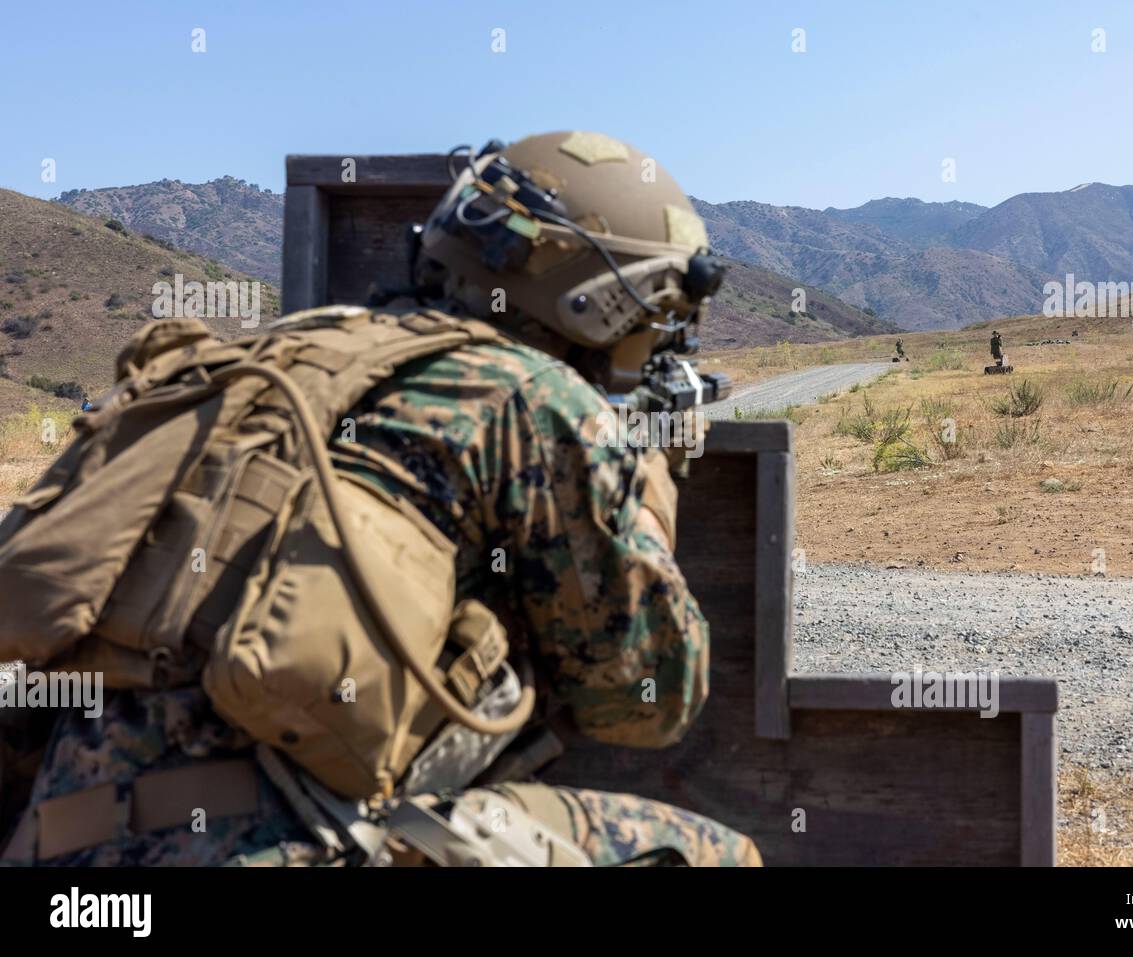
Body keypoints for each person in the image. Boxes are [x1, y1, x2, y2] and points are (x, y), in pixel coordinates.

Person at [0, 132, 760, 868]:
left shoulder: (269, 361)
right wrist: (651, 493)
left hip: (53, 838)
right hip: (281, 843)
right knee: (715, 855)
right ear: (600, 299)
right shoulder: (534, 397)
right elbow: (648, 699)